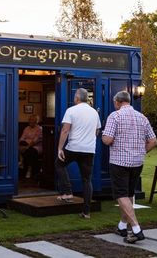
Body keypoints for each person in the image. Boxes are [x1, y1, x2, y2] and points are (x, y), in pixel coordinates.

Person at [102, 90, 157, 244]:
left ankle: (136, 229)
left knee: (121, 195)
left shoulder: (115, 116)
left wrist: (101, 135)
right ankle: (122, 226)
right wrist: (140, 151)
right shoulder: (142, 117)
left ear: (117, 102)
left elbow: (107, 140)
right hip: (137, 162)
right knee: (129, 194)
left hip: (119, 161)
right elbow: (153, 141)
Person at [55, 88, 101, 219]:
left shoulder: (71, 110)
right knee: (87, 180)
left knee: (59, 164)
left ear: (77, 97)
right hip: (89, 150)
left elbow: (65, 130)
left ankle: (68, 192)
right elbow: (97, 131)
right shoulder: (94, 112)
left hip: (73, 147)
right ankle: (86, 212)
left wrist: (60, 148)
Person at [19, 114, 42, 179]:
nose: (30, 121)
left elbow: (35, 141)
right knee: (20, 148)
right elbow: (21, 139)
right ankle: (23, 165)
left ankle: (29, 168)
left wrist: (27, 146)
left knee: (30, 151)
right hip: (25, 145)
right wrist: (24, 145)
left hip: (37, 147)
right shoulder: (26, 128)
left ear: (36, 121)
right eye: (30, 120)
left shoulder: (39, 129)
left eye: (32, 120)